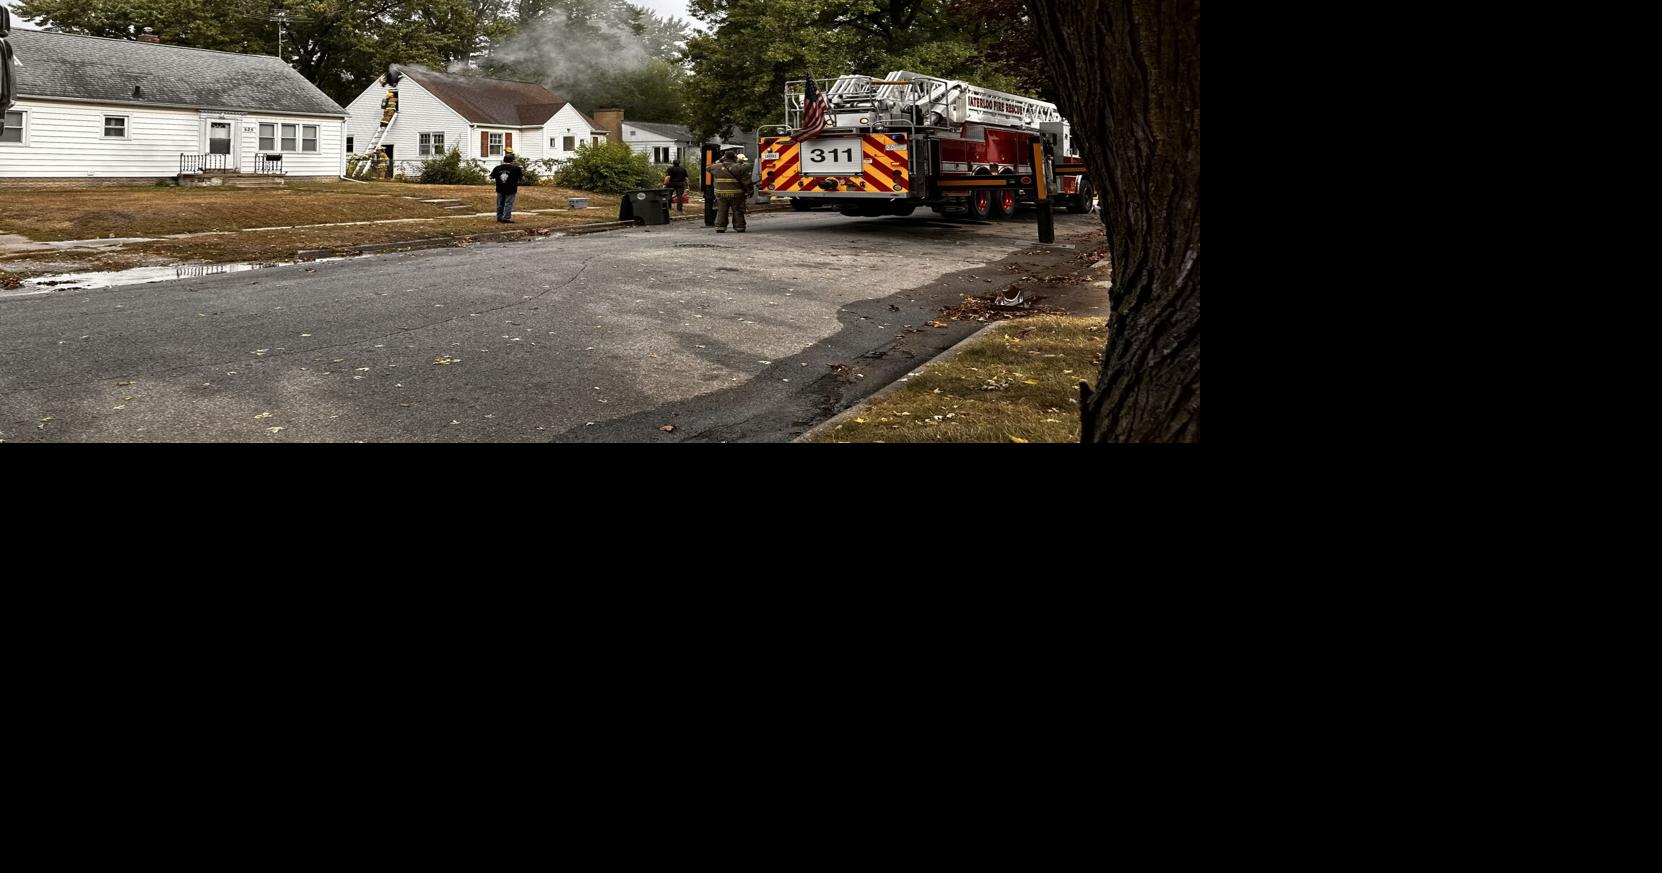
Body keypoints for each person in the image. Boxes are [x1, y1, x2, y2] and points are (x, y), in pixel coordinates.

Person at [711, 148, 753, 233]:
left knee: (721, 210)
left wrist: (720, 160)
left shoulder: (716, 167)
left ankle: (720, 227)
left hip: (720, 193)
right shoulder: (740, 167)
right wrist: (750, 191)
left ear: (724, 157)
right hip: (736, 193)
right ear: (734, 157)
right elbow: (747, 181)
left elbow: (708, 167)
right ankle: (739, 227)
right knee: (737, 210)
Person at [490, 152, 523, 223]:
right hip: (511, 189)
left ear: (504, 160)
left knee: (500, 204)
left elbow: (491, 177)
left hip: (500, 188)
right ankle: (506, 218)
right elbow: (520, 178)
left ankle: (499, 217)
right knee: (508, 203)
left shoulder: (497, 168)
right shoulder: (516, 168)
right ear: (512, 160)